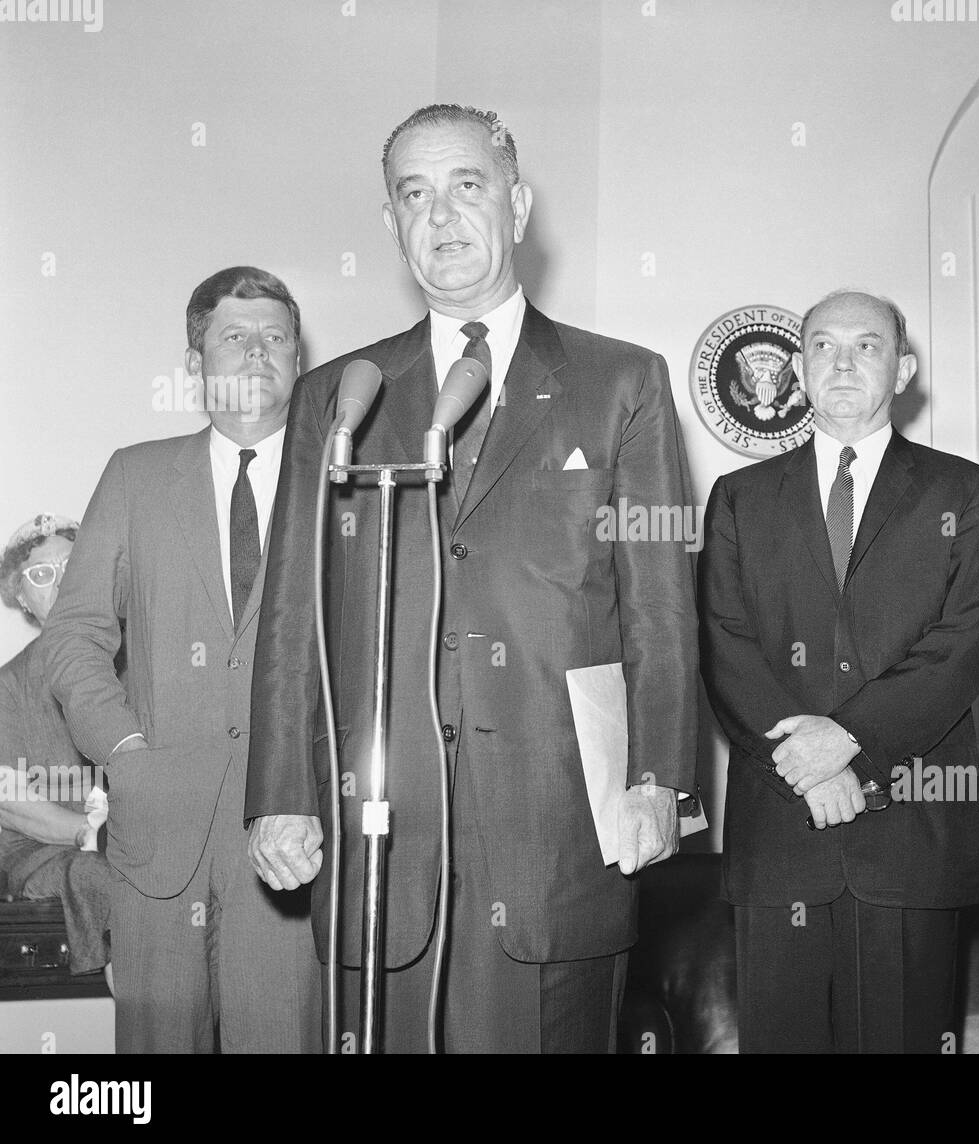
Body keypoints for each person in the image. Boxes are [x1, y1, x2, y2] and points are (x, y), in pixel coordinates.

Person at [245, 104, 698, 1053]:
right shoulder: (341, 394)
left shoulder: (624, 381)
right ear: (390, 225)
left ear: (519, 205)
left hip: (561, 823)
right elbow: (293, 609)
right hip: (382, 833)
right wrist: (281, 790)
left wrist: (661, 779)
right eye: (414, 193)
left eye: (467, 185)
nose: (441, 214)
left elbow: (660, 608)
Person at [699, 290, 979, 1052]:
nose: (842, 362)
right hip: (780, 840)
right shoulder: (738, 499)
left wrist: (848, 740)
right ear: (799, 370)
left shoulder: (966, 492)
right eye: (824, 347)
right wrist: (807, 767)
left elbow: (961, 646)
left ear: (902, 369)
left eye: (866, 346)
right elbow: (725, 645)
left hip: (911, 838)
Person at [43, 267, 319, 1052]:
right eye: (233, 337)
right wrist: (127, 754)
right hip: (155, 840)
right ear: (195, 363)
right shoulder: (135, 475)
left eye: (275, 337)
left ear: (299, 359)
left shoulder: (344, 486)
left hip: (293, 839)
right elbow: (74, 636)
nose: (256, 352)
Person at [0, 513, 111, 981]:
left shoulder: (134, 667)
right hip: (39, 850)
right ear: (21, 597)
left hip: (129, 843)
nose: (60, 583)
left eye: (71, 566)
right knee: (105, 878)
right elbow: (9, 802)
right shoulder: (8, 687)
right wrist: (90, 833)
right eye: (41, 575)